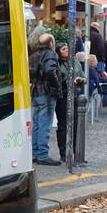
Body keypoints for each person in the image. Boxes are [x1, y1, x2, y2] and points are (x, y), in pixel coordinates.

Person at [29, 33, 62, 166]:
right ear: (51, 43)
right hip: (46, 93)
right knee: (44, 124)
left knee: (36, 124)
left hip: (36, 92)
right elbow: (50, 71)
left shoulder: (33, 55)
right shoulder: (50, 54)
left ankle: (35, 153)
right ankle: (42, 154)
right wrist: (55, 86)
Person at [54, 43, 85, 162]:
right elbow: (57, 79)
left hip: (75, 94)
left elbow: (83, 76)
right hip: (63, 96)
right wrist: (68, 80)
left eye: (67, 48)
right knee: (63, 124)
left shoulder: (74, 61)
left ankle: (77, 153)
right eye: (63, 49)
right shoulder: (57, 63)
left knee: (77, 123)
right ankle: (63, 153)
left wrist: (81, 80)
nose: (66, 50)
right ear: (59, 52)